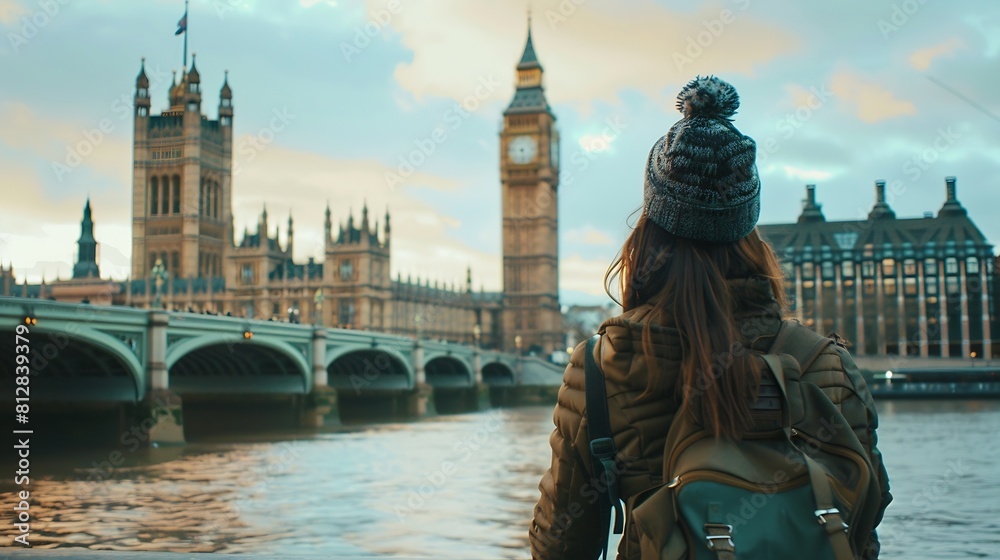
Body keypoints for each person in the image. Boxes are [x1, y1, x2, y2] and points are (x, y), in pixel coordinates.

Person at [529, 76, 891, 560]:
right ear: (749, 230)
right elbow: (863, 527)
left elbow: (561, 543)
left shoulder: (600, 369)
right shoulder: (828, 365)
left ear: (650, 230)